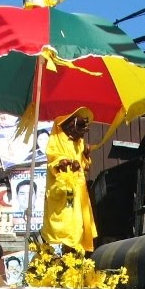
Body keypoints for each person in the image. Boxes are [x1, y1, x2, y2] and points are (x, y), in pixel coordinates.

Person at [43, 107, 97, 252]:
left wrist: (85, 156)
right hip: (63, 189)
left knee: (78, 224)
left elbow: (83, 166)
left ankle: (74, 255)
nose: (78, 131)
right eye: (76, 125)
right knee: (65, 223)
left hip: (78, 192)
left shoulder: (78, 143)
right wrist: (63, 163)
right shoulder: (58, 138)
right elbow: (54, 158)